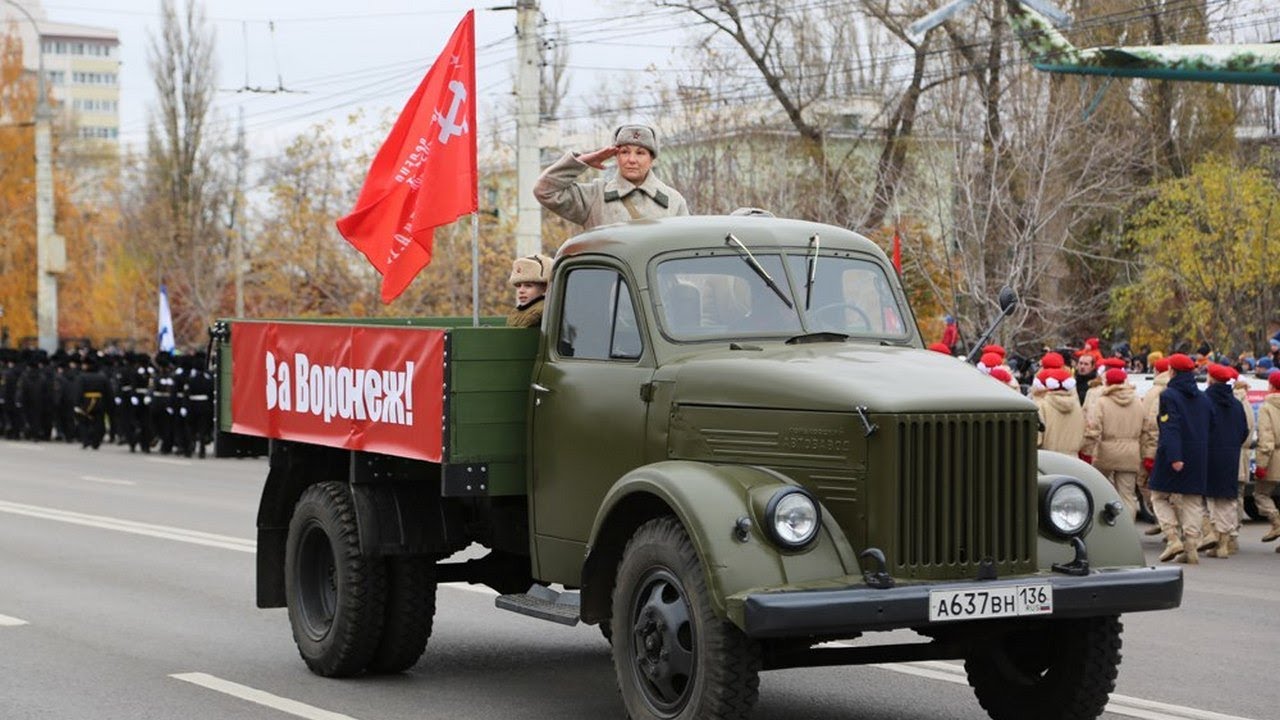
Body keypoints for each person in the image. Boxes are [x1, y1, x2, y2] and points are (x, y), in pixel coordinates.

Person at [533, 124, 689, 231]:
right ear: (616, 156)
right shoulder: (595, 197)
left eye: (640, 153)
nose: (631, 160)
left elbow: (684, 254)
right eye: (624, 152)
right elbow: (545, 191)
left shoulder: (673, 202)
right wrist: (583, 161)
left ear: (652, 158)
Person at [1149, 353, 1211, 564]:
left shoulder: (1169, 396)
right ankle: (1191, 547)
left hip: (1174, 453)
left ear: (1172, 371)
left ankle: (1173, 537)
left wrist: (1175, 456)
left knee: (1158, 496)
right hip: (1199, 455)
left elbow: (1170, 426)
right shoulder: (1203, 397)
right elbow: (1211, 425)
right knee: (1193, 501)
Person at [1200, 364, 1249, 558]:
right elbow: (1243, 431)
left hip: (1209, 453)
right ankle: (1223, 544)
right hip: (1231, 455)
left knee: (1205, 498)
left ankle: (1210, 534)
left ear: (1211, 379)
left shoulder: (1204, 400)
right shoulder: (1236, 403)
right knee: (1227, 500)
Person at [1082, 367, 1144, 519]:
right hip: (1131, 452)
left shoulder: (1102, 402)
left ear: (1107, 382)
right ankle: (1128, 530)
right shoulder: (1137, 401)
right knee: (1127, 495)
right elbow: (1146, 427)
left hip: (1106, 452)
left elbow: (1094, 429)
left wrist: (1086, 450)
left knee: (1101, 490)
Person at [1252, 369, 1280, 549]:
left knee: (1261, 493)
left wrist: (1261, 465)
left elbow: (1267, 439)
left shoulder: (1267, 408)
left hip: (1274, 457)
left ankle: (1276, 521)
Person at [1033, 367, 1084, 455]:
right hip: (1073, 459)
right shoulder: (1076, 405)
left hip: (1048, 459)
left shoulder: (1041, 405)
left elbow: (1037, 438)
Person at [506, 254, 554, 328]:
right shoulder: (518, 311)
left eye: (528, 286)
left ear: (545, 287)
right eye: (518, 286)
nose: (521, 291)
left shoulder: (542, 311)